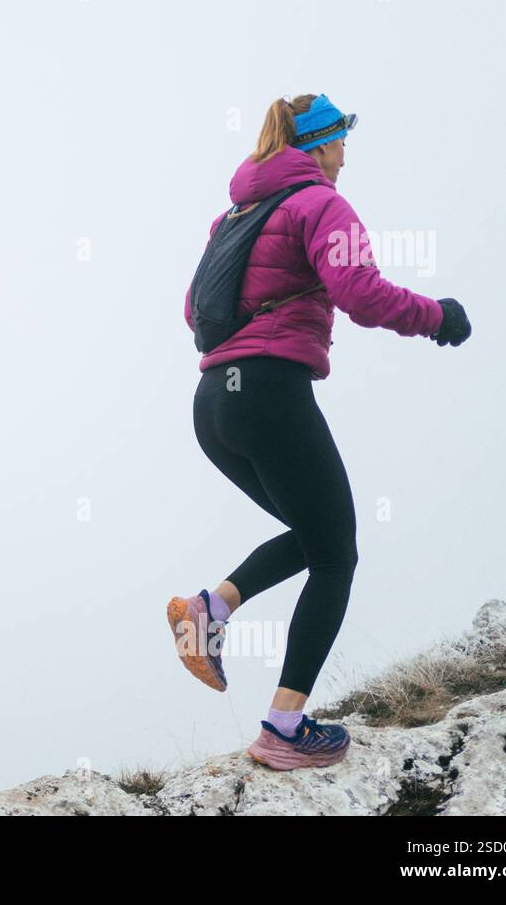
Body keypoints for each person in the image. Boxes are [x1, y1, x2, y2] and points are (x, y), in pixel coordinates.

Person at [167, 93, 472, 771]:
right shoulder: (320, 205)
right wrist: (439, 317)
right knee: (337, 555)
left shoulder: (232, 216)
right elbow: (361, 294)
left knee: (316, 536)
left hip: (215, 403)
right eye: (342, 139)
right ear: (322, 144)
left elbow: (193, 310)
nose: (346, 152)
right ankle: (284, 727)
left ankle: (209, 609)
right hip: (271, 393)